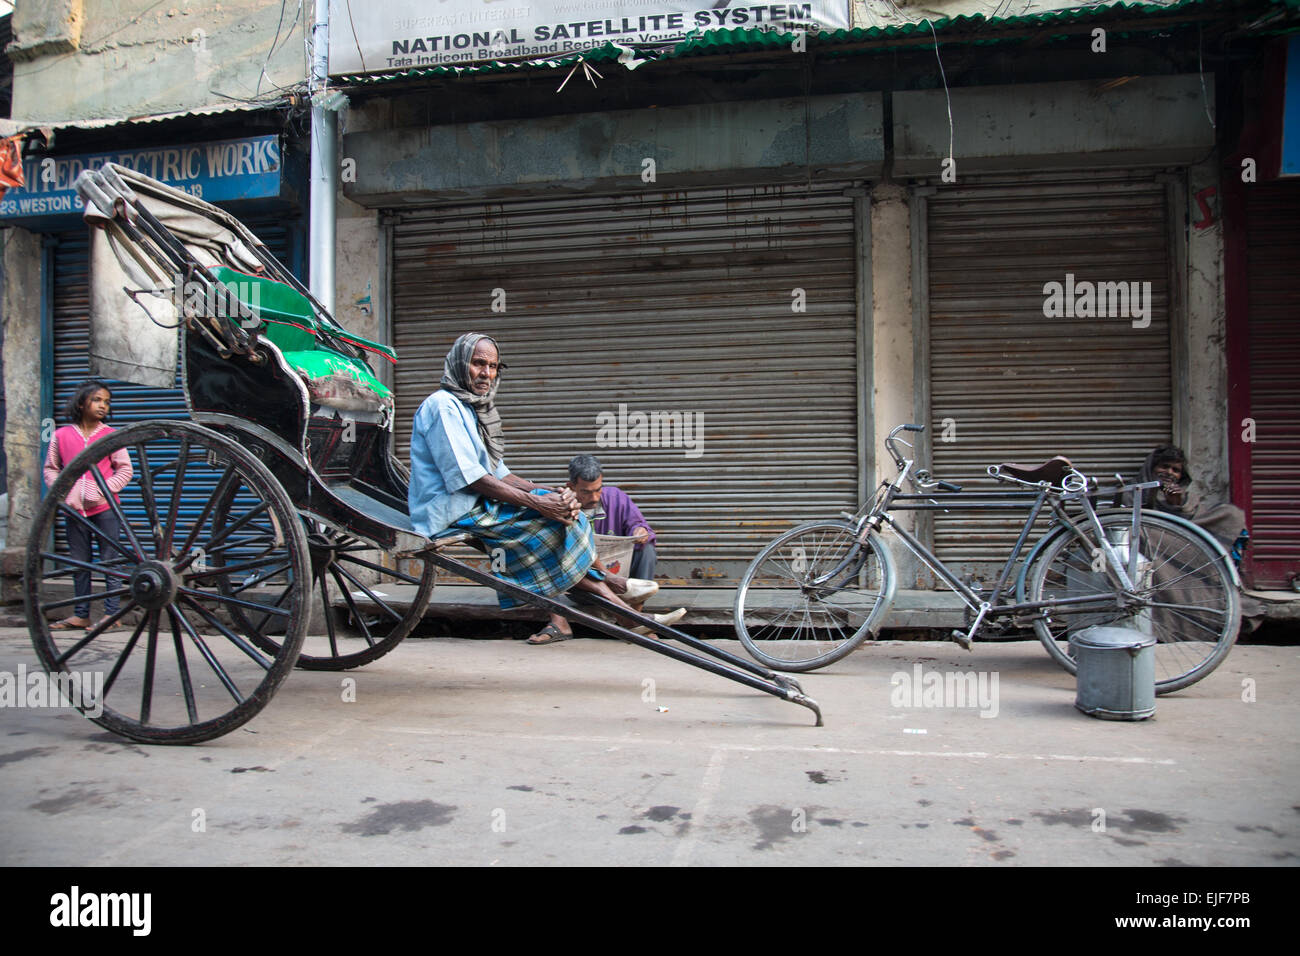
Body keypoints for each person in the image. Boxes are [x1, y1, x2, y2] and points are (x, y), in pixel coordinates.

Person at [407, 333, 682, 645]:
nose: (486, 373)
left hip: (478, 502)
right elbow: (471, 479)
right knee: (552, 527)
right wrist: (539, 504)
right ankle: (624, 604)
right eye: (478, 363)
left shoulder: (472, 408)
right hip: (452, 509)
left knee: (567, 511)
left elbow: (500, 474)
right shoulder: (444, 406)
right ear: (460, 363)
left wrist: (546, 491)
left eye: (493, 366)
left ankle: (623, 608)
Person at [42, 380, 134, 631]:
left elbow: (125, 470)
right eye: (97, 400)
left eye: (106, 401)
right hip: (74, 509)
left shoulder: (111, 436)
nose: (103, 405)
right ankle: (81, 614)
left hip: (105, 508)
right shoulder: (61, 436)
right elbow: (51, 470)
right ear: (82, 403)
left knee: (110, 561)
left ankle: (111, 614)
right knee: (80, 562)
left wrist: (103, 489)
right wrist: (64, 493)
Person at [1133, 444, 1249, 561]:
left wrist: (1177, 505)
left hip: (1187, 541)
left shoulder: (1188, 498)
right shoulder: (1134, 492)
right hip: (1154, 541)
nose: (1169, 472)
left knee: (1231, 513)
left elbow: (1197, 524)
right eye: (1164, 467)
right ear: (1151, 469)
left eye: (1175, 470)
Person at [566, 454, 659, 581]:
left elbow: (637, 524)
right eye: (586, 492)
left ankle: (638, 600)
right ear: (571, 487)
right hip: (581, 574)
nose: (594, 498)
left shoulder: (616, 498)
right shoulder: (560, 506)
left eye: (598, 489)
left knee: (647, 550)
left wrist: (640, 531)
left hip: (616, 566)